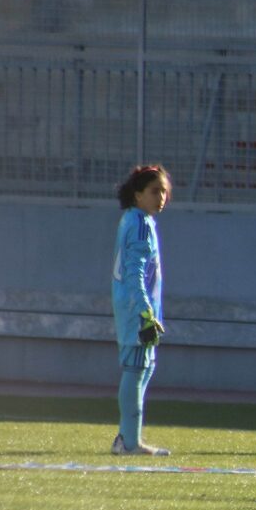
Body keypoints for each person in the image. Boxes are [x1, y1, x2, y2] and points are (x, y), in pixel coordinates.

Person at [111, 165, 172, 456]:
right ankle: (130, 442)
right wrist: (145, 308)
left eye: (164, 191)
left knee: (145, 367)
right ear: (138, 195)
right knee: (136, 368)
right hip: (137, 307)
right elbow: (134, 270)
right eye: (154, 191)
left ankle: (126, 436)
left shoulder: (136, 219)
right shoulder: (139, 223)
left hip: (139, 306)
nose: (161, 196)